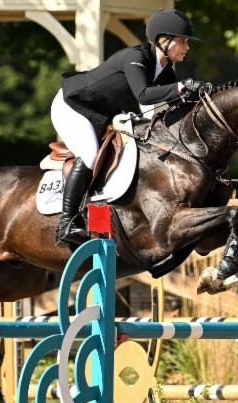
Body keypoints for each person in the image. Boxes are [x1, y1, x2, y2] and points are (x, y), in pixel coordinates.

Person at [50, 8, 213, 244]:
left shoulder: (164, 70)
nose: (187, 47)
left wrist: (197, 96)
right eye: (182, 41)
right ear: (163, 40)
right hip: (72, 105)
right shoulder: (135, 57)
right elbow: (145, 95)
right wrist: (180, 87)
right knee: (89, 153)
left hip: (98, 114)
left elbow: (172, 102)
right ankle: (66, 224)